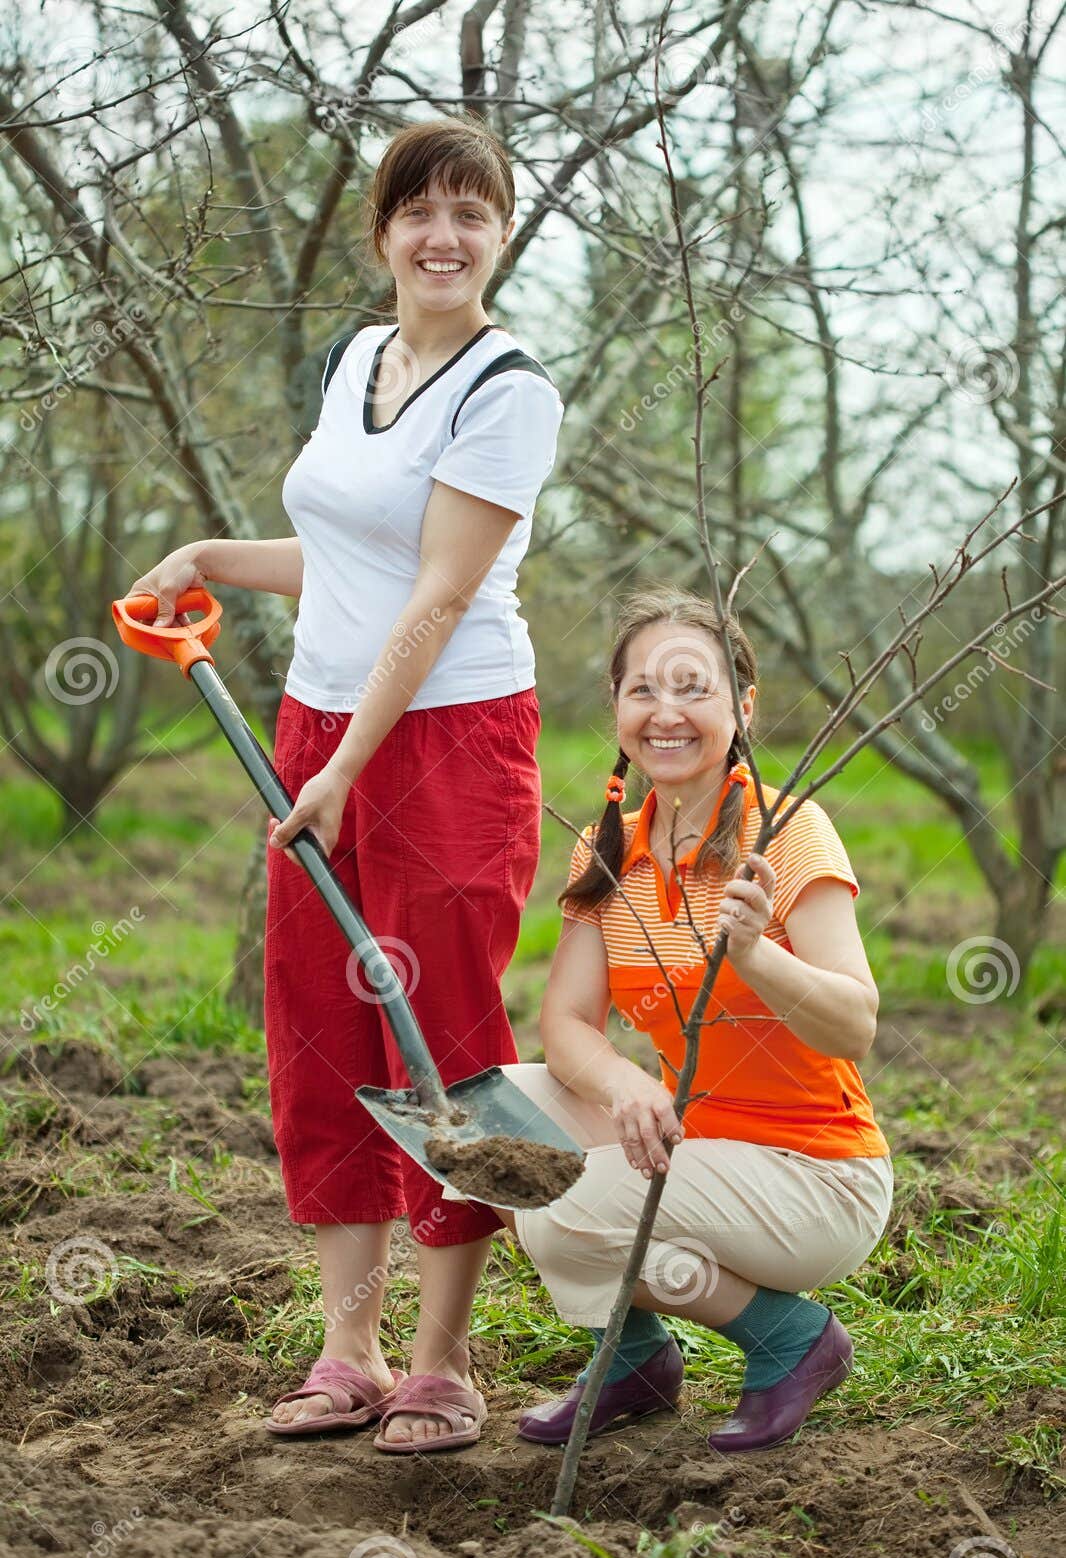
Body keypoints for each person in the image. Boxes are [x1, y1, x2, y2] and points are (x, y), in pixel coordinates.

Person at [128, 117, 564, 1454]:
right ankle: (350, 1345)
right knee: (320, 1034)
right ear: (380, 233)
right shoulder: (357, 363)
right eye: (418, 210)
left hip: (444, 742)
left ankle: (443, 1358)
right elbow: (349, 557)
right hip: (318, 728)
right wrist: (207, 555)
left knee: (435, 1040)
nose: (443, 236)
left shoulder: (508, 390)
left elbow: (435, 593)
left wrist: (350, 765)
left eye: (471, 213)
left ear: (499, 235)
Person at [508, 587, 893, 1453]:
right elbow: (566, 1021)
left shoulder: (787, 834)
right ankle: (634, 1357)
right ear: (615, 707)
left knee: (560, 1213)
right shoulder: (606, 845)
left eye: (693, 687)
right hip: (695, 1143)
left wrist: (758, 956)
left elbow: (855, 1025)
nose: (666, 712)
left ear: (742, 706)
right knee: (487, 1124)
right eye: (642, 689)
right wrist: (624, 1085)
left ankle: (789, 1340)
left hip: (814, 1176)